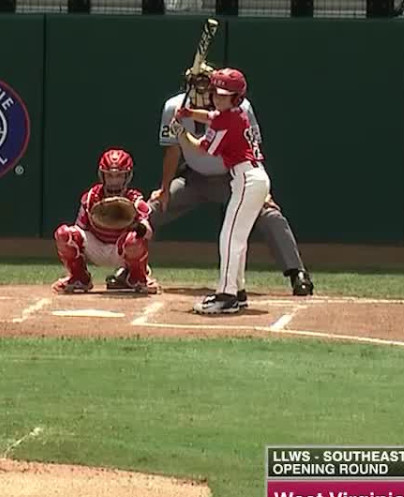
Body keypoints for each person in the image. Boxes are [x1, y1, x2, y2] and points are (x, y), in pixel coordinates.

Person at [148, 64, 314, 301]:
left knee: (265, 218)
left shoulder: (237, 110)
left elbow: (234, 148)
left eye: (213, 89)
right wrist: (164, 188)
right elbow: (173, 151)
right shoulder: (175, 106)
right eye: (205, 88)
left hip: (234, 178)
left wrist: (182, 133)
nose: (210, 94)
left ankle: (295, 273)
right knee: (151, 209)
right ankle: (132, 267)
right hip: (194, 178)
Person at [174, 68, 271, 314]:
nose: (218, 98)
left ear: (236, 98)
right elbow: (212, 116)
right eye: (215, 94)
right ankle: (237, 292)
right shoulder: (236, 114)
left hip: (248, 179)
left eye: (224, 95)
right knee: (235, 238)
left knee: (230, 238)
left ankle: (226, 295)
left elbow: (202, 148)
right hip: (249, 178)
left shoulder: (229, 121)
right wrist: (188, 113)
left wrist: (182, 132)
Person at [52, 148, 157, 294]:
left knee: (135, 239)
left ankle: (138, 277)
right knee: (64, 234)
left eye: (119, 176)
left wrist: (137, 226)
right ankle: (79, 278)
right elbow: (79, 230)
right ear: (102, 176)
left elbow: (148, 233)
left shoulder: (135, 200)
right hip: (96, 246)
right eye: (110, 176)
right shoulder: (91, 197)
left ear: (127, 176)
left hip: (120, 250)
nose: (114, 181)